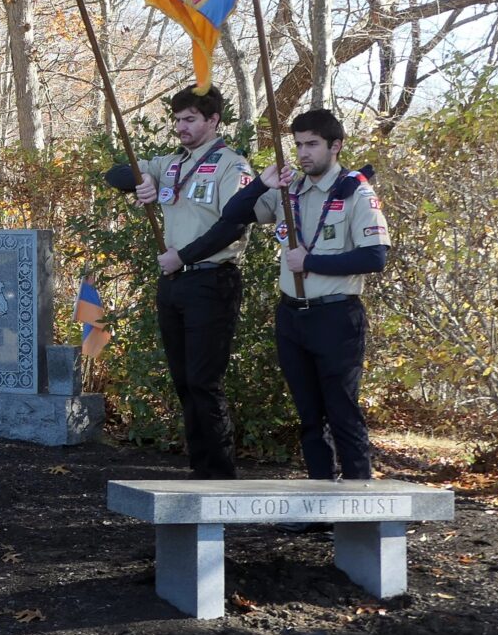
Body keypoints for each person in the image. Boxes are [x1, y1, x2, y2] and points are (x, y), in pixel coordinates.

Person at [214, 108, 390, 483]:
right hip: (292, 315)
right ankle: (319, 502)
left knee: (342, 412)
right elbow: (233, 214)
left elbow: (375, 256)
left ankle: (361, 506)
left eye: (312, 144)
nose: (303, 152)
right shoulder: (287, 190)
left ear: (335, 146)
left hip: (336, 315)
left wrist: (311, 261)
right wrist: (262, 182)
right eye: (298, 145)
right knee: (309, 416)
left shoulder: (355, 191)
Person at [102, 84, 258, 479]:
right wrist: (140, 183)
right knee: (184, 380)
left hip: (212, 280)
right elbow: (115, 172)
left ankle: (220, 477)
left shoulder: (231, 166)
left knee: (205, 382)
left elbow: (234, 225)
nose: (181, 127)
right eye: (176, 120)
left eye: (189, 119)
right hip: (173, 284)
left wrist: (184, 256)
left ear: (213, 120)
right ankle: (198, 469)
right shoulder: (170, 163)